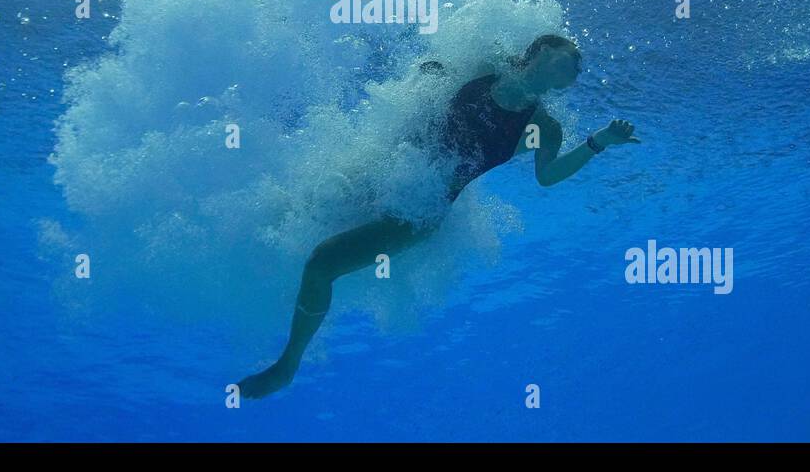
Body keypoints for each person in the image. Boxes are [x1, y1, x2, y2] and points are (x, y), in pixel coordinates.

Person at [237, 33, 640, 398]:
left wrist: (598, 141)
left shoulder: (542, 127)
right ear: (542, 48)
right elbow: (436, 68)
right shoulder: (486, 65)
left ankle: (287, 365)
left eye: (576, 69)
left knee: (323, 262)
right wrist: (431, 74)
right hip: (390, 171)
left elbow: (548, 176)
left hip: (421, 210)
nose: (575, 67)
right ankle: (248, 275)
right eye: (569, 57)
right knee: (295, 211)